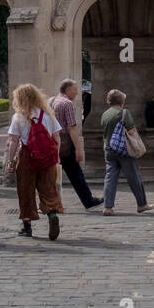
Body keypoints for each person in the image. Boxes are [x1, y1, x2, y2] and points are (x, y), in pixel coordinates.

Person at [5, 84, 64, 239]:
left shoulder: (18, 117)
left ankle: (27, 226)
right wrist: (55, 157)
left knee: (25, 190)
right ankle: (51, 214)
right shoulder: (48, 115)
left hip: (27, 156)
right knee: (48, 188)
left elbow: (13, 141)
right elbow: (57, 137)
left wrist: (10, 162)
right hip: (47, 157)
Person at [49, 79, 102, 210]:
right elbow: (72, 128)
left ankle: (50, 202)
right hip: (66, 145)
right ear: (67, 90)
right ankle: (88, 201)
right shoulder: (67, 104)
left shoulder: (51, 100)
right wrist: (78, 149)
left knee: (52, 175)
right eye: (75, 90)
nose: (77, 93)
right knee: (76, 174)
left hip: (53, 143)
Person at [101, 89, 153, 215]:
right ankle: (142, 204)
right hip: (123, 150)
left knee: (110, 177)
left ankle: (108, 207)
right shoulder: (124, 113)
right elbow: (131, 131)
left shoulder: (105, 114)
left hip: (108, 149)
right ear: (122, 101)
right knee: (134, 177)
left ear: (109, 101)